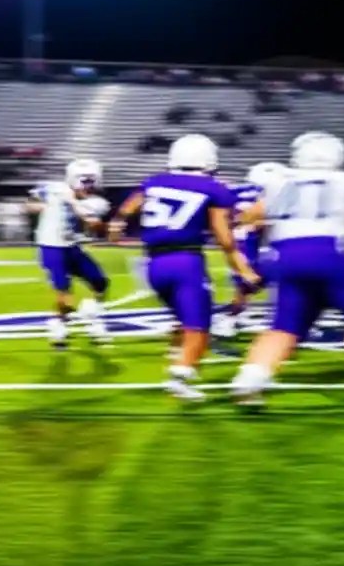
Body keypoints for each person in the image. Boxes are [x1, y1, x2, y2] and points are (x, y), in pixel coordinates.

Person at [228, 132, 344, 406]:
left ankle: (249, 380)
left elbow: (250, 216)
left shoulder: (278, 179)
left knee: (283, 326)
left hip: (286, 255)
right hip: (329, 252)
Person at [109, 135, 258, 400]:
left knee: (183, 317)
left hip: (152, 264)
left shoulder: (154, 182)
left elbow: (128, 207)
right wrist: (243, 269)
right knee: (199, 326)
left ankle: (176, 355)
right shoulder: (214, 188)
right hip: (185, 262)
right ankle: (181, 375)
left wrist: (117, 225)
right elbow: (225, 240)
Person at [27, 158, 112, 348]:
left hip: (72, 246)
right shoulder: (56, 189)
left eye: (92, 181)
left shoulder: (96, 202)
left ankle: (92, 313)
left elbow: (94, 223)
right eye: (86, 181)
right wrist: (42, 207)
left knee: (100, 282)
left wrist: (83, 212)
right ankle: (58, 326)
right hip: (51, 245)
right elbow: (30, 203)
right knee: (64, 292)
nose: (89, 186)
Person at [214, 161, 287, 340]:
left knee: (255, 282)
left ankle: (231, 317)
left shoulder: (238, 191)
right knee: (254, 282)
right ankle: (228, 318)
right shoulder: (265, 194)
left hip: (242, 240)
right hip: (251, 240)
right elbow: (256, 221)